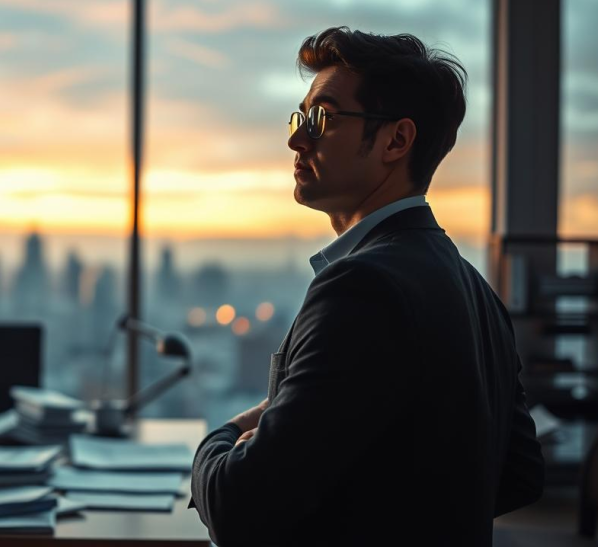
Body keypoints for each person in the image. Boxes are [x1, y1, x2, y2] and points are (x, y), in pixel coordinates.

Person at [189, 27, 544, 546]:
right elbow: (518, 475)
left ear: (396, 141)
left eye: (322, 118)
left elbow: (235, 506)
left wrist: (219, 440)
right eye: (299, 117)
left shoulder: (363, 287)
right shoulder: (472, 286)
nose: (296, 138)